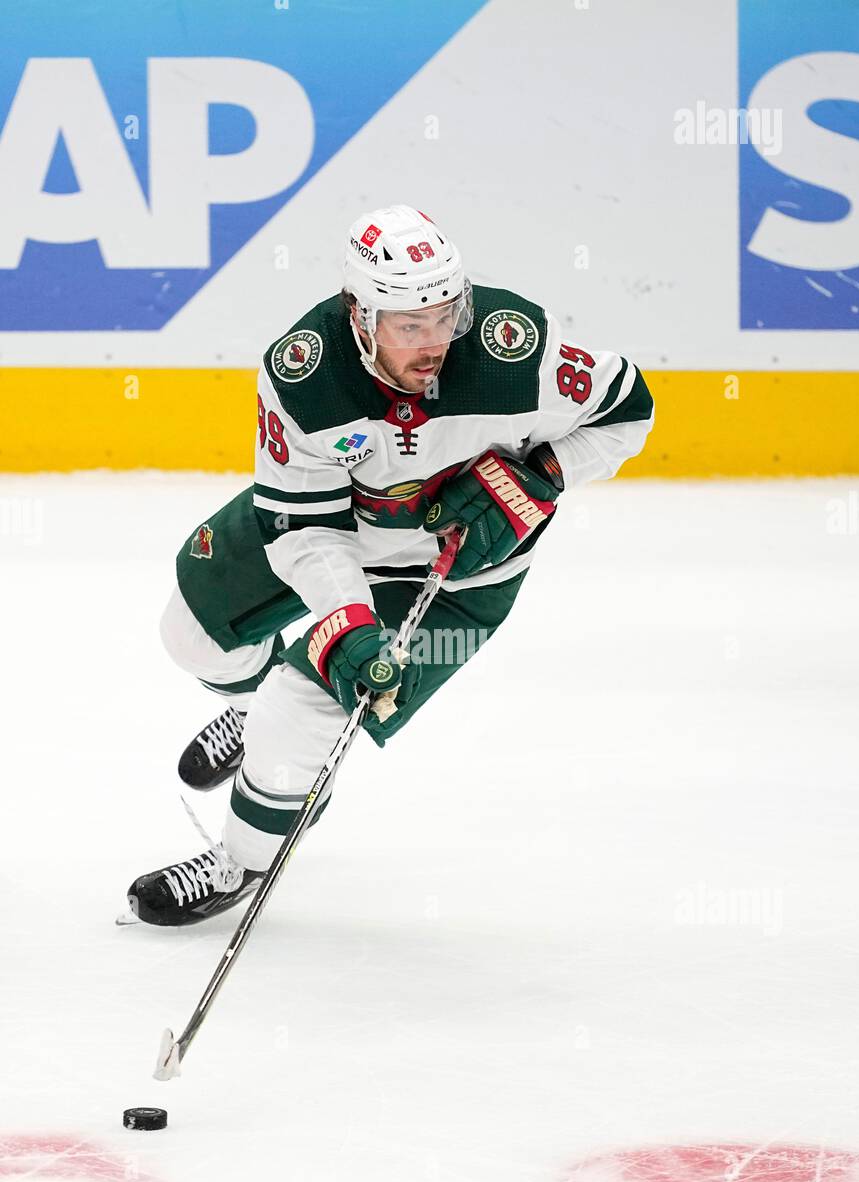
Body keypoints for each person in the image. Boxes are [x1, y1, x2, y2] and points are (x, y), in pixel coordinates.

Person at [127, 204, 654, 925]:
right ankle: (248, 712)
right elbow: (306, 525)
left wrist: (548, 472)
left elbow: (629, 408)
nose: (436, 342)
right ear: (359, 314)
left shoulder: (513, 349)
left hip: (462, 575)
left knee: (298, 713)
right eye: (411, 325)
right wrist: (348, 622)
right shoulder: (305, 375)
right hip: (335, 530)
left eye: (447, 315)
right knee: (190, 634)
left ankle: (241, 861)